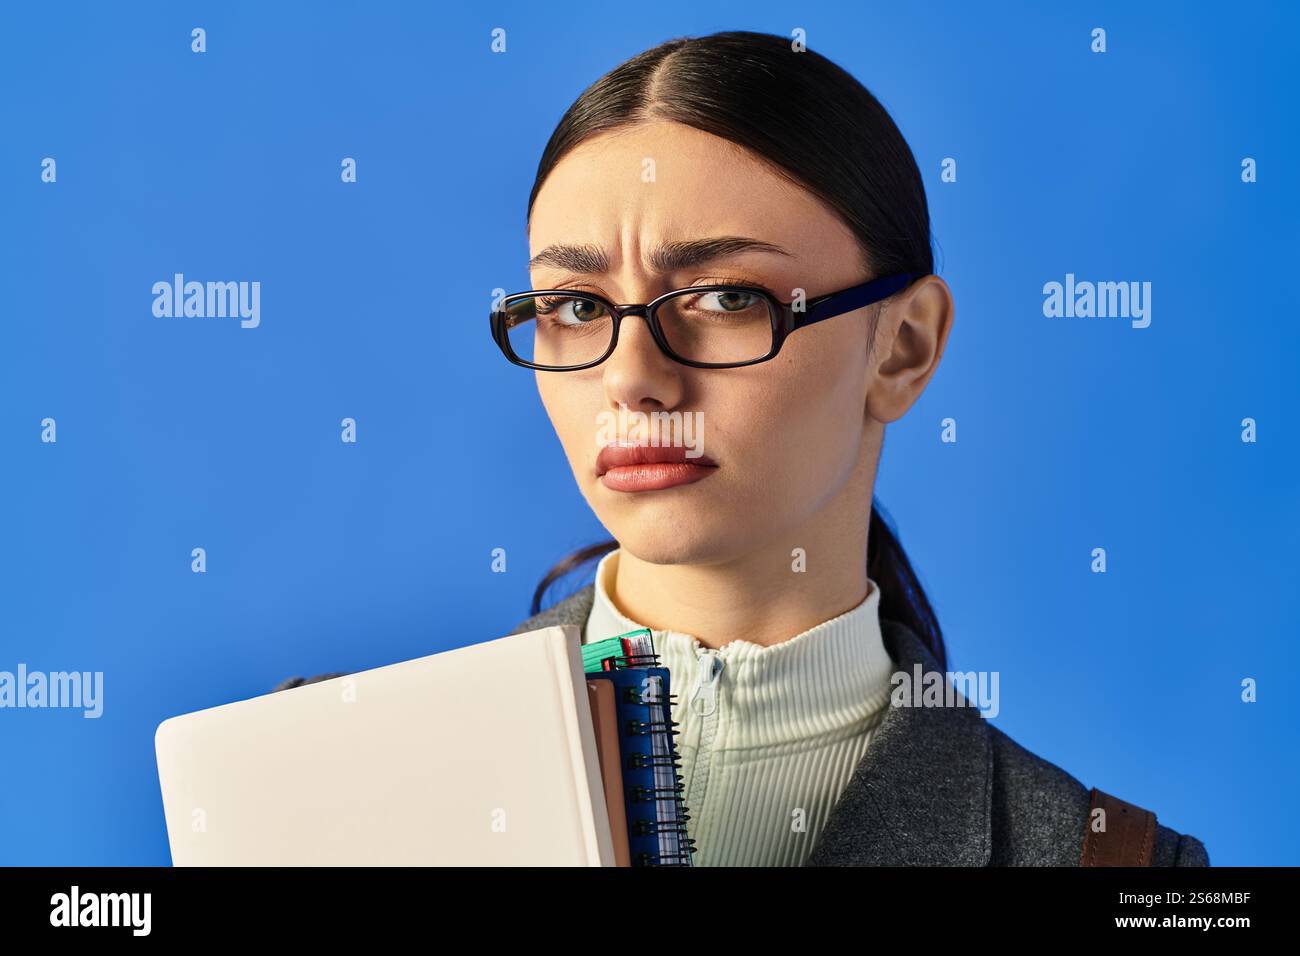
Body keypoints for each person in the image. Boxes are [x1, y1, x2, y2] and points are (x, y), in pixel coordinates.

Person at [278, 30, 1209, 867]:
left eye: (727, 297)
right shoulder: (315, 767)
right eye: (574, 308)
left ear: (906, 346)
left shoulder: (1117, 869)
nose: (632, 377)